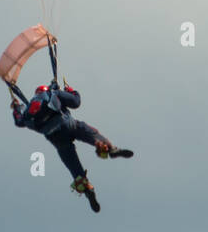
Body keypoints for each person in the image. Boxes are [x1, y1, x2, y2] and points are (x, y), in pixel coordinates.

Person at [11, 81, 133, 212]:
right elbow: (76, 102)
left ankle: (87, 189)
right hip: (68, 125)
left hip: (56, 138)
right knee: (91, 133)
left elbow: (19, 122)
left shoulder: (28, 111)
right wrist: (71, 91)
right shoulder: (53, 93)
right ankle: (109, 148)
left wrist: (17, 108)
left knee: (74, 167)